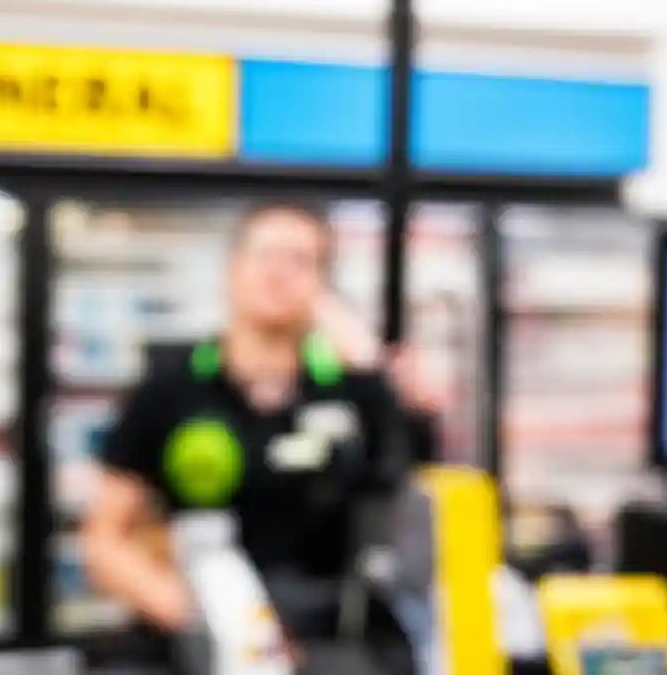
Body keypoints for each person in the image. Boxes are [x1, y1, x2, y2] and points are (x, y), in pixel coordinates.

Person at [81, 202, 438, 672]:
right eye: (266, 254)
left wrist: (380, 375)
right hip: (200, 624)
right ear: (232, 270)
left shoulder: (354, 392)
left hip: (327, 635)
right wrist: (196, 617)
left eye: (301, 260)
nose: (280, 273)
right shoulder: (172, 388)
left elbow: (409, 483)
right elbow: (105, 541)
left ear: (323, 284)